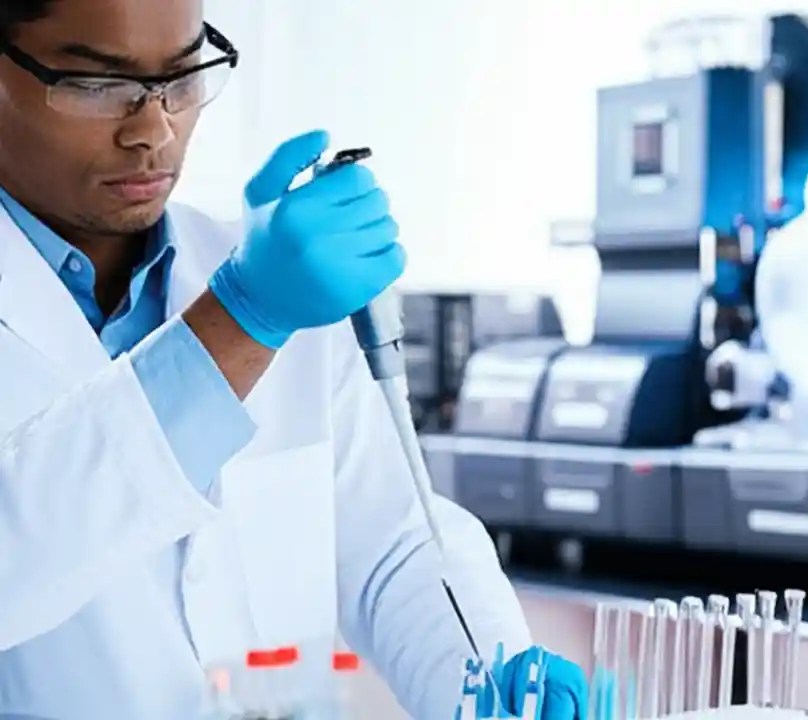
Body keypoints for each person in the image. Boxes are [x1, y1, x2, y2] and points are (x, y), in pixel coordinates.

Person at [0, 0, 587, 718]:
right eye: (97, 85)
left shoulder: (269, 279)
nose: (154, 129)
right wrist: (242, 318)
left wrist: (480, 672)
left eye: (184, 78)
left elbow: (390, 545)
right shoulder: (263, 294)